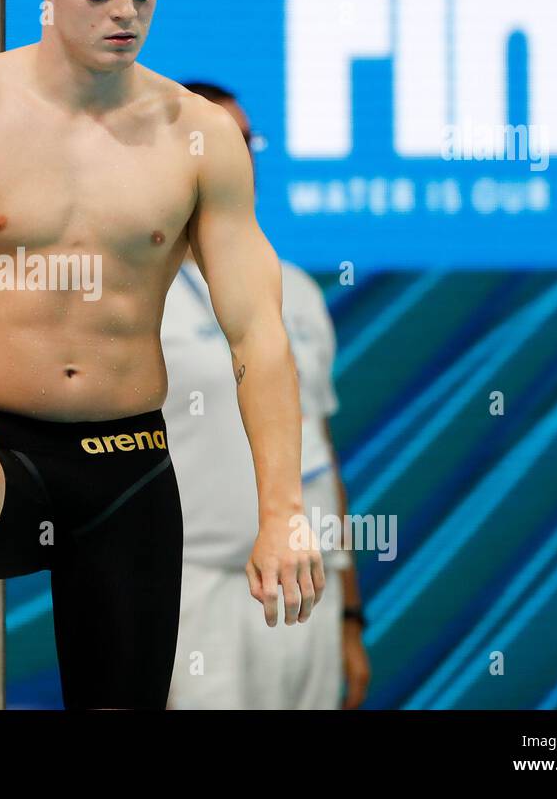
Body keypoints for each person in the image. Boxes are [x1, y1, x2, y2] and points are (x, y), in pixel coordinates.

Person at [0, 0, 323, 710]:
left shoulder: (199, 134)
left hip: (128, 467)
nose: (127, 9)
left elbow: (258, 334)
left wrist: (282, 509)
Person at [163, 82, 370, 709]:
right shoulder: (138, 293)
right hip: (197, 586)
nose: (242, 157)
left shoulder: (296, 290)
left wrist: (350, 616)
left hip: (307, 586)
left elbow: (320, 450)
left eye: (248, 141)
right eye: (223, 140)